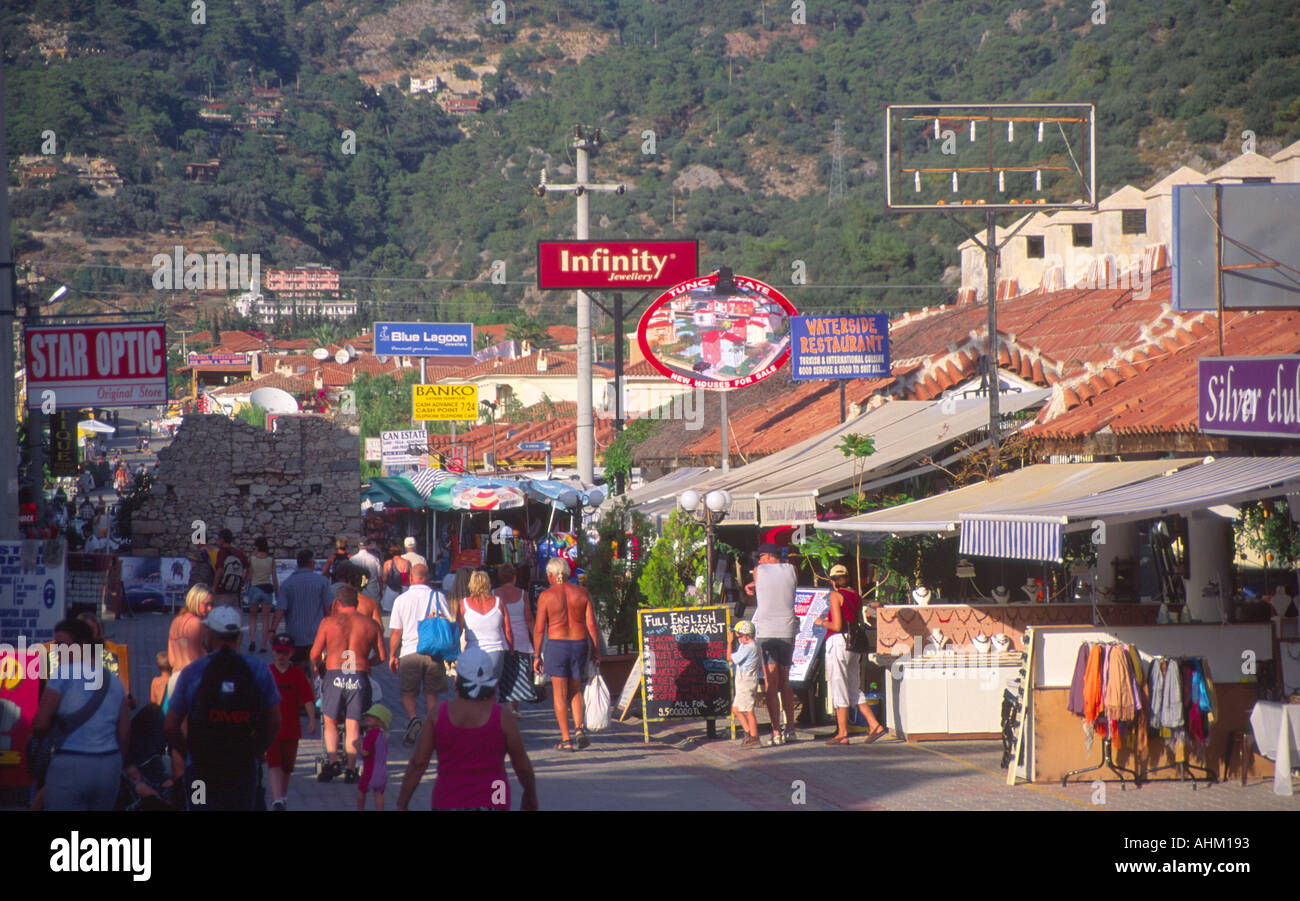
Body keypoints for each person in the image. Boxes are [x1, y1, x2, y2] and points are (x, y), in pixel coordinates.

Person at [165, 606, 280, 810]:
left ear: (209, 634)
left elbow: (171, 724)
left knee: (199, 807)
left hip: (201, 771)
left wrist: (189, 754)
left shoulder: (193, 673)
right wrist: (257, 750)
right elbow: (274, 721)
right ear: (239, 637)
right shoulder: (258, 670)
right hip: (242, 770)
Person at [396, 646, 537, 811]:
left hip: (449, 799)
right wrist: (530, 795)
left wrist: (402, 803)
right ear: (491, 682)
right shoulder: (503, 717)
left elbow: (418, 763)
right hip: (494, 798)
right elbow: (522, 765)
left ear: (458, 681)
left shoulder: (438, 714)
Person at [31, 619, 130, 811]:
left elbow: (40, 724)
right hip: (109, 765)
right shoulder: (115, 682)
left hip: (70, 764)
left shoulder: (62, 675)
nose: (56, 652)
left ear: (82, 646)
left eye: (61, 645)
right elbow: (125, 732)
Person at [311, 584, 386, 782]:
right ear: (357, 603)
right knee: (353, 723)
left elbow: (314, 654)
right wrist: (367, 663)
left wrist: (320, 667)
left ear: (337, 603)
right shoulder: (371, 625)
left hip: (335, 673)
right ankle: (351, 769)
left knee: (330, 720)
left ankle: (334, 761)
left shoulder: (328, 622)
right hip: (358, 675)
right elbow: (382, 656)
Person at [533, 557, 600, 752]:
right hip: (579, 644)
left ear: (552, 575)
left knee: (559, 694)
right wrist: (596, 650)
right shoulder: (582, 593)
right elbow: (592, 626)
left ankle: (566, 739)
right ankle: (579, 729)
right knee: (576, 689)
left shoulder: (546, 596)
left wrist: (537, 655)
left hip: (557, 645)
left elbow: (539, 629)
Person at [815, 564, 887, 744]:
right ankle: (874, 724)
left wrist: (822, 622)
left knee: (838, 685)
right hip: (853, 643)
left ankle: (842, 733)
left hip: (838, 643)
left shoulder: (835, 595)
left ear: (832, 581)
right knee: (854, 687)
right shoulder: (855, 595)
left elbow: (837, 625)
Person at [388, 564, 454, 746]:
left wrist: (392, 655)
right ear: (427, 578)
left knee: (408, 691)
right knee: (431, 692)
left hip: (409, 652)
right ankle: (431, 727)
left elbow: (395, 632)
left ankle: (413, 719)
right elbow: (449, 621)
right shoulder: (438, 597)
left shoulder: (401, 600)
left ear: (411, 578)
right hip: (434, 652)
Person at [745, 543, 800, 745]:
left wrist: (752, 585)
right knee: (785, 680)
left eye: (760, 557)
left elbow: (762, 583)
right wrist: (754, 585)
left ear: (768, 556)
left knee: (770, 682)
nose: (758, 562)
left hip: (767, 631)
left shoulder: (759, 571)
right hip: (787, 630)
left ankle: (776, 731)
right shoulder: (792, 569)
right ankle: (791, 729)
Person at [267, 633, 317, 810]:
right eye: (279, 652)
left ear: (291, 654)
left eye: (285, 653)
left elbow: (307, 699)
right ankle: (276, 799)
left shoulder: (296, 674)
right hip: (271, 729)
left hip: (292, 728)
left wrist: (312, 719)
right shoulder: (267, 673)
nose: (281, 656)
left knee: (287, 767)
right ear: (273, 652)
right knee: (274, 765)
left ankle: (282, 795)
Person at [278, 548, 334, 680]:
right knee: (315, 667)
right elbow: (328, 608)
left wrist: (272, 630)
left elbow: (280, 609)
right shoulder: (322, 582)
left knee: (298, 669)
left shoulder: (287, 584)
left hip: (296, 634)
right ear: (311, 564)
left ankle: (299, 696)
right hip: (317, 634)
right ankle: (314, 695)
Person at [495, 563, 535, 712]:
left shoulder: (494, 593)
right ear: (514, 577)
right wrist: (536, 639)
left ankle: (509, 706)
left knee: (506, 673)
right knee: (520, 674)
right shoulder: (523, 594)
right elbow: (529, 619)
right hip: (522, 639)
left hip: (503, 638)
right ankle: (514, 707)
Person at [460, 570, 512, 680]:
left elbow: (458, 631)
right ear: (488, 584)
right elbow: (508, 631)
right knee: (493, 689)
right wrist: (511, 649)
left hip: (472, 652)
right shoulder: (499, 602)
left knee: (473, 689)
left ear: (471, 585)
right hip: (495, 652)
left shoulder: (464, 604)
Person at [729, 620, 762, 748]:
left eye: (739, 636)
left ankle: (755, 738)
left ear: (746, 635)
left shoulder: (750, 648)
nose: (737, 638)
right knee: (736, 709)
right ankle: (748, 733)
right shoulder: (752, 646)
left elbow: (730, 658)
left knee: (749, 710)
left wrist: (729, 643)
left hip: (746, 682)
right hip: (744, 681)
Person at [354, 704, 391, 811]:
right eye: (368, 715)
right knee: (379, 795)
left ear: (380, 721)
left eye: (372, 716)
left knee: (361, 792)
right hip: (382, 772)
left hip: (370, 771)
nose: (368, 717)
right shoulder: (383, 735)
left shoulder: (370, 735)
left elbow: (365, 753)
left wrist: (357, 747)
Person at [247, 536, 278, 653]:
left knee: (253, 617)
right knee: (265, 619)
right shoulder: (271, 560)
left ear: (257, 546)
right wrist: (277, 592)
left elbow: (249, 575)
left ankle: (253, 640)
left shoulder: (252, 559)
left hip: (254, 588)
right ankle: (264, 645)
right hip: (266, 590)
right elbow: (274, 577)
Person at [211, 528, 250, 610]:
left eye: (219, 539)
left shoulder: (221, 552)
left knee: (221, 618)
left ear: (222, 540)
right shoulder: (239, 553)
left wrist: (214, 588)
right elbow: (248, 568)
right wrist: (242, 582)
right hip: (235, 592)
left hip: (222, 592)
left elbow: (220, 571)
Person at [350, 537, 384, 607]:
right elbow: (380, 578)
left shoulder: (352, 560)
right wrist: (380, 591)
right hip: (372, 591)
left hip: (358, 592)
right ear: (368, 546)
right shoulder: (375, 559)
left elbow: (350, 578)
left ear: (358, 546)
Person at [381, 543, 411, 612]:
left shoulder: (388, 563)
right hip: (404, 588)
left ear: (391, 552)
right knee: (404, 610)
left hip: (391, 589)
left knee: (389, 612)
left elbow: (384, 579)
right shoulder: (406, 562)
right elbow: (408, 577)